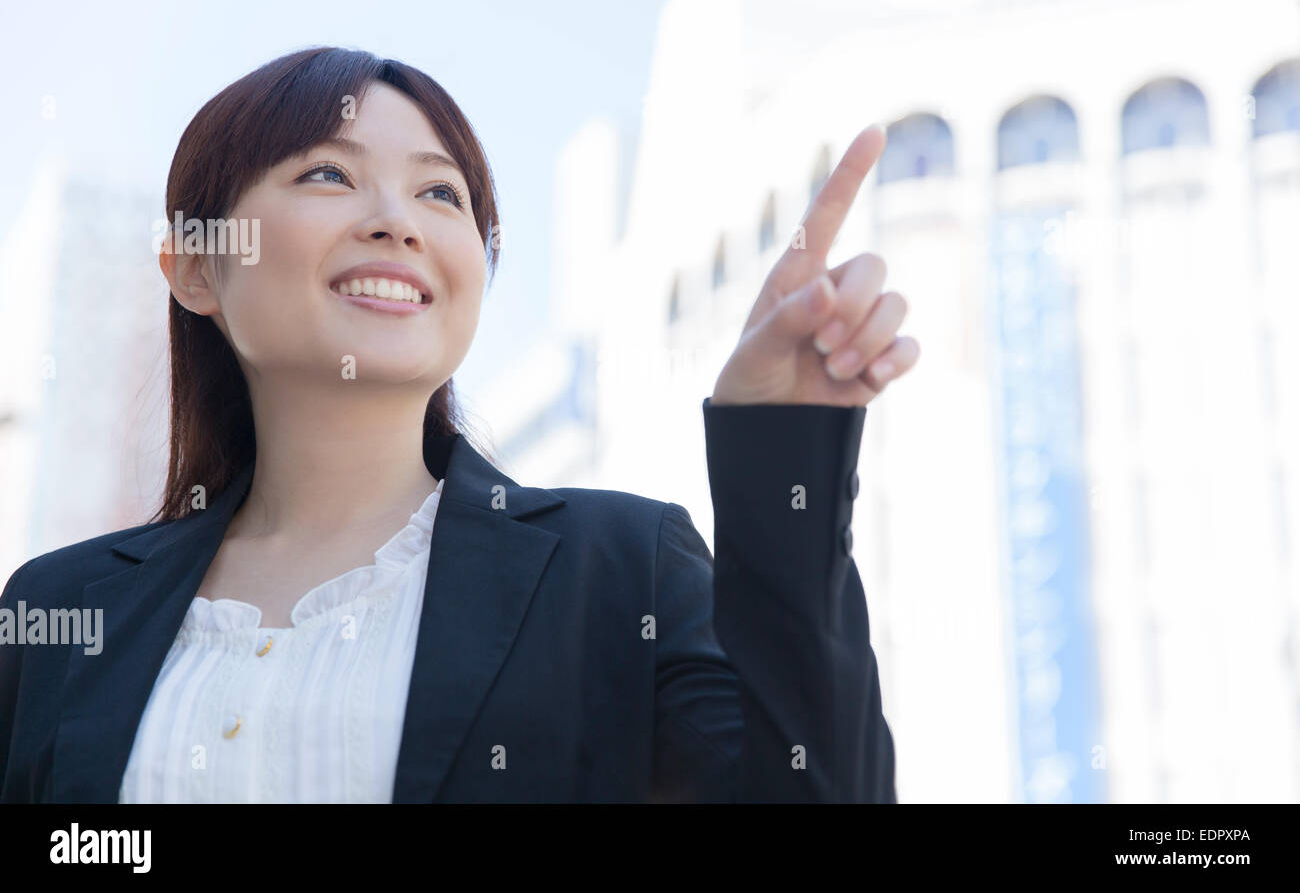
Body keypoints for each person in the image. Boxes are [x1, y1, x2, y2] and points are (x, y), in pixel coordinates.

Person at [0, 47, 919, 803]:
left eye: (442, 195)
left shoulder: (619, 568)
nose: (398, 222)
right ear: (197, 265)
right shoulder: (56, 612)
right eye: (329, 172)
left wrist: (780, 445)